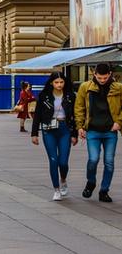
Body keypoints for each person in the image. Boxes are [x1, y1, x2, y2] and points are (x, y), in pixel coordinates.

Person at [75, 62, 122, 202]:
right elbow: (79, 108)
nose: (102, 80)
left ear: (110, 74)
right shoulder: (85, 87)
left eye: (105, 78)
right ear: (94, 74)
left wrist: (119, 122)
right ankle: (91, 182)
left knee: (109, 162)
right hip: (93, 130)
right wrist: (80, 126)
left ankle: (104, 191)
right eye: (99, 77)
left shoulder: (118, 88)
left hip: (110, 131)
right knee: (93, 159)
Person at [32, 71, 77, 201]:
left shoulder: (70, 96)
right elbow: (37, 115)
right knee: (53, 160)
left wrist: (74, 134)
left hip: (65, 129)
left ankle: (63, 180)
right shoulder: (44, 96)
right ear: (51, 83)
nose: (59, 85)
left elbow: (75, 115)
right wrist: (34, 134)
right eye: (56, 82)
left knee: (63, 162)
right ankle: (56, 189)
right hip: (48, 129)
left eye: (61, 82)